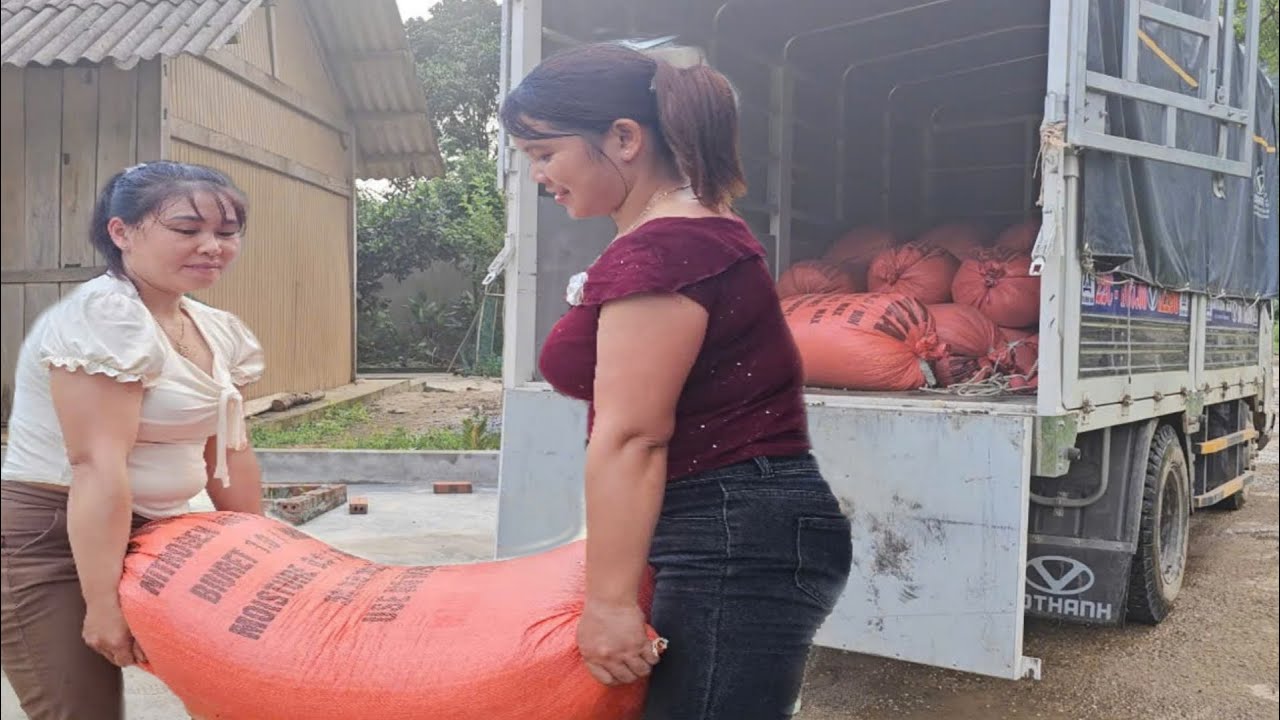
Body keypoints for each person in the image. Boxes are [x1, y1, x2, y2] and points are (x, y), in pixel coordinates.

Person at [500, 43, 853, 719]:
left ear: (624, 138)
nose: (539, 175)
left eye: (544, 153)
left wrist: (608, 605)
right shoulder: (684, 233)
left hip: (728, 531)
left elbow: (634, 436)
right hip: (730, 521)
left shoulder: (664, 249)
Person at [0, 161, 267, 720]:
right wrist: (101, 603)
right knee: (82, 709)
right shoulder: (103, 319)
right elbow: (96, 466)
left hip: (165, 533)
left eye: (227, 231)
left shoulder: (215, 328)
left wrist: (261, 553)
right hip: (54, 540)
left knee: (244, 687)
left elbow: (230, 451)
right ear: (121, 233)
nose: (212, 246)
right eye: (187, 229)